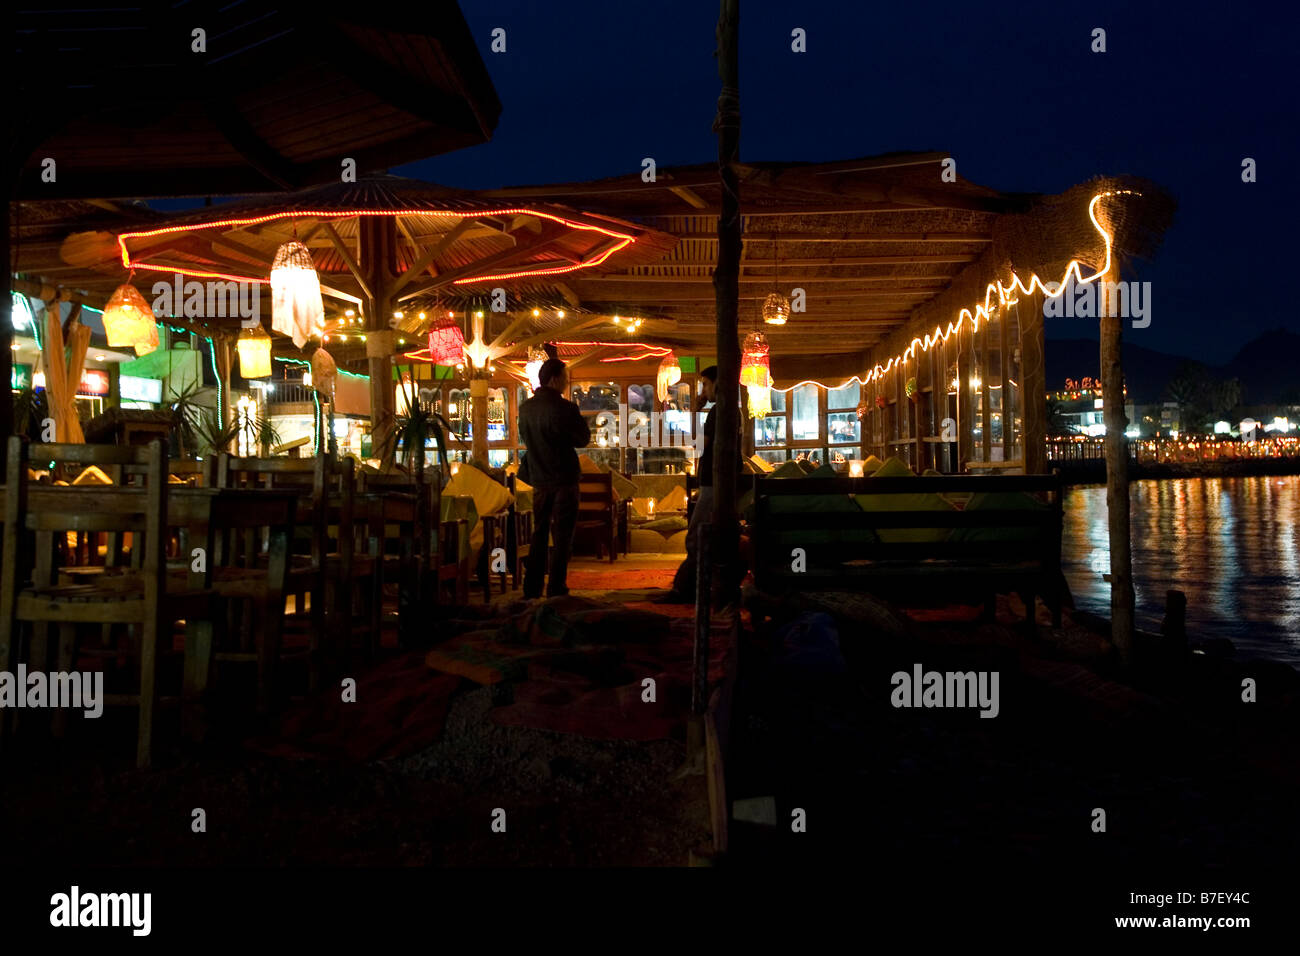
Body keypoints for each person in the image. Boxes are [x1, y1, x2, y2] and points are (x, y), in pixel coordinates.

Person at [517, 358, 591, 598]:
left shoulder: (525, 409)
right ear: (555, 379)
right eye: (565, 377)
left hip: (539, 480)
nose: (567, 382)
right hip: (564, 481)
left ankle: (532, 587)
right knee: (562, 538)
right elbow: (582, 439)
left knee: (539, 533)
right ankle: (556, 587)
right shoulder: (565, 408)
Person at [657, 366, 724, 603]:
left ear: (717, 383)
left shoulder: (718, 412)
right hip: (717, 482)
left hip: (713, 484)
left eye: (706, 384)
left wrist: (695, 413)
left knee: (695, 537)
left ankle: (687, 591)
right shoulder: (725, 411)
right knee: (702, 537)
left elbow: (699, 445)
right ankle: (693, 587)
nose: (704, 391)